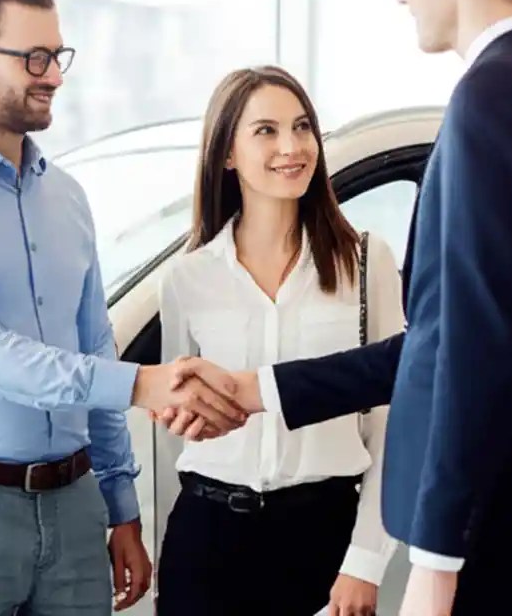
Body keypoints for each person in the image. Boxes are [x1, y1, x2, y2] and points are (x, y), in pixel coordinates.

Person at [160, 0, 512, 614]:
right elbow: (442, 342)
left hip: (507, 527)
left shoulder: (490, 103)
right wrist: (258, 390)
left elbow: (477, 347)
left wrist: (437, 559)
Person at [0, 0, 245, 616]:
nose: (55, 76)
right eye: (35, 57)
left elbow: (94, 342)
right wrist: (140, 386)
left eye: (58, 56)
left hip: (73, 508)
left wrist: (121, 506)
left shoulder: (66, 197)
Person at [151, 65, 406, 616]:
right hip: (207, 540)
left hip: (323, 537)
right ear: (226, 154)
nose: (291, 146)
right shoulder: (188, 278)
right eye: (265, 130)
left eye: (302, 127)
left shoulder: (366, 263)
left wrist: (364, 560)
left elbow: (395, 420)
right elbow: (180, 427)